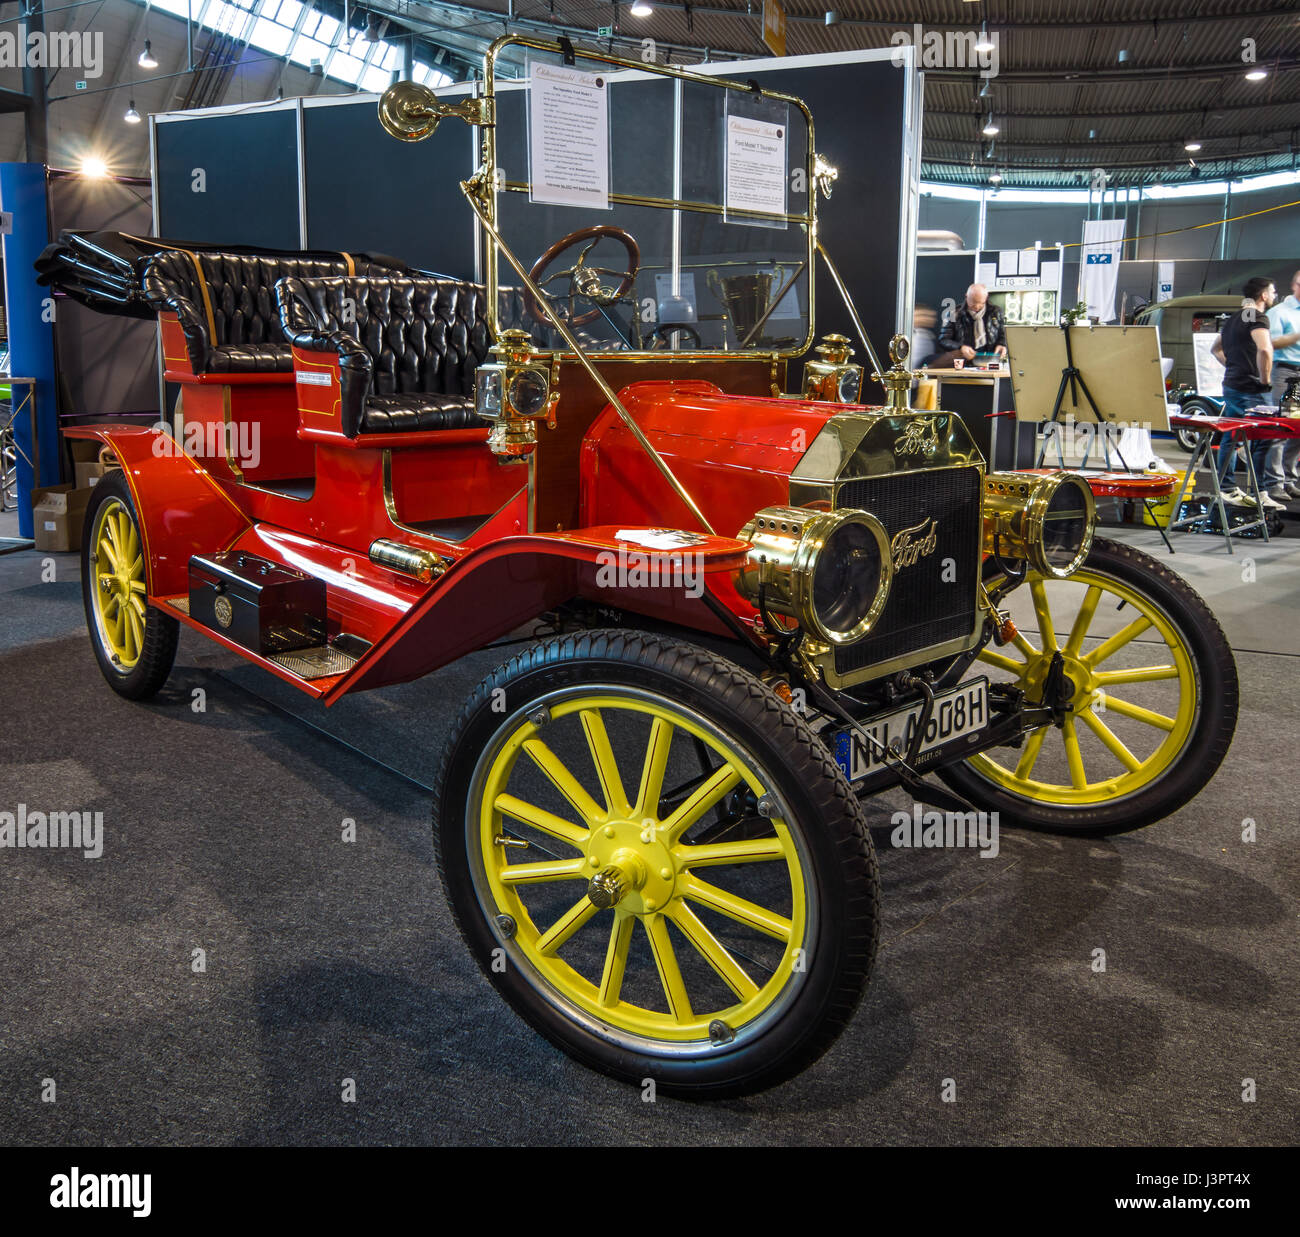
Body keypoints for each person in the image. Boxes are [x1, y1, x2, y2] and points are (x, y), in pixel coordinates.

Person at [1211, 276, 1285, 510]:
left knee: (1231, 438)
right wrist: (1264, 381)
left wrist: (1233, 366)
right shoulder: (1257, 317)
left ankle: (1227, 488)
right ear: (1263, 295)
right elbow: (1264, 349)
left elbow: (1215, 349)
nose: (1274, 295)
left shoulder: (1236, 317)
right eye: (1272, 292)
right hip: (1252, 389)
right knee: (1264, 439)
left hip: (1232, 384)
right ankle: (1260, 491)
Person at [1266, 268, 1300, 498]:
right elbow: (1271, 344)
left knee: (1298, 431)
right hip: (1285, 373)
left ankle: (1289, 478)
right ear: (1296, 285)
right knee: (1279, 430)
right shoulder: (1279, 312)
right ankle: (1274, 483)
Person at [936, 283, 1007, 365]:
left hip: (989, 361)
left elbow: (1003, 335)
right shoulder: (953, 313)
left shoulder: (996, 312)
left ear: (986, 298)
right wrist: (960, 347)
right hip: (962, 362)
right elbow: (943, 340)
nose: (976, 306)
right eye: (973, 302)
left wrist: (1002, 345)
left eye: (981, 303)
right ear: (966, 297)